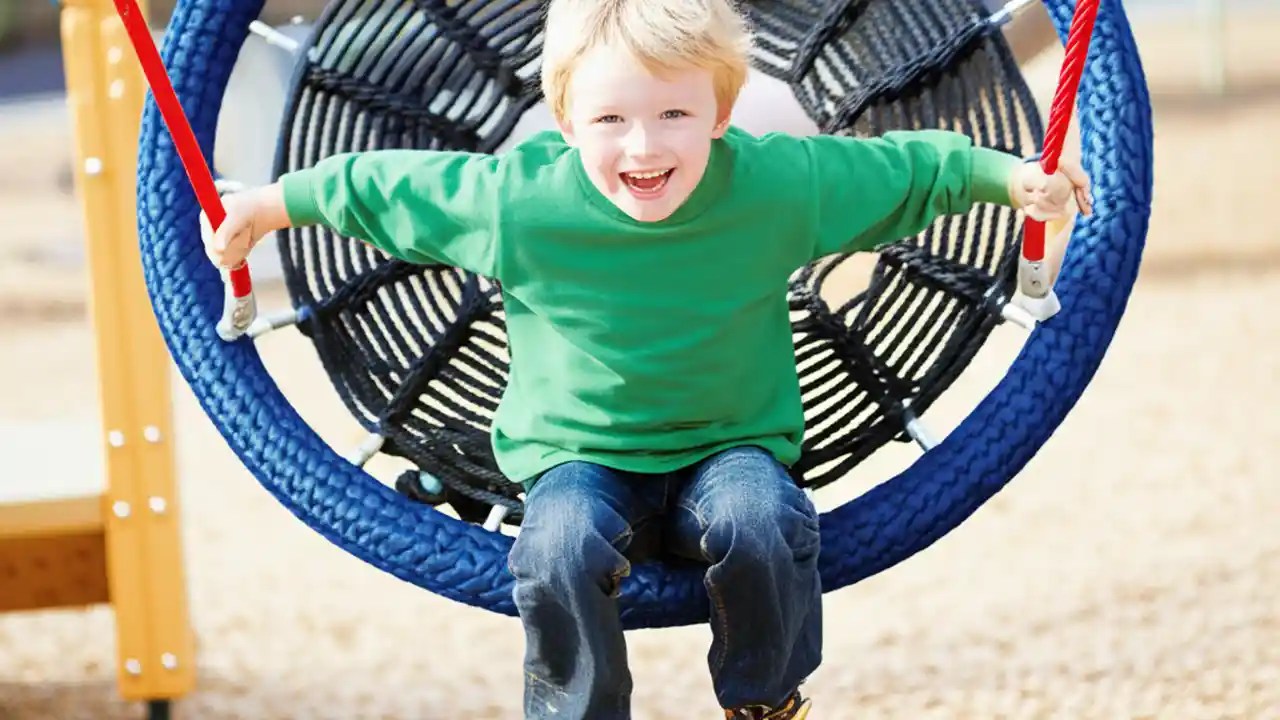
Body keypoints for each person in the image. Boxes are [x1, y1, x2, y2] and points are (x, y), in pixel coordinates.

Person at [202, 0, 1092, 716]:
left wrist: (1009, 177)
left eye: (674, 113)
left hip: (730, 445)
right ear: (564, 119)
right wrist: (268, 207)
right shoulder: (521, 202)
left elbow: (901, 173)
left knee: (762, 523)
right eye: (611, 118)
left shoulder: (773, 186)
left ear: (722, 111)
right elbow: (381, 189)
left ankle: (764, 698)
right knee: (556, 545)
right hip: (578, 458)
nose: (643, 145)